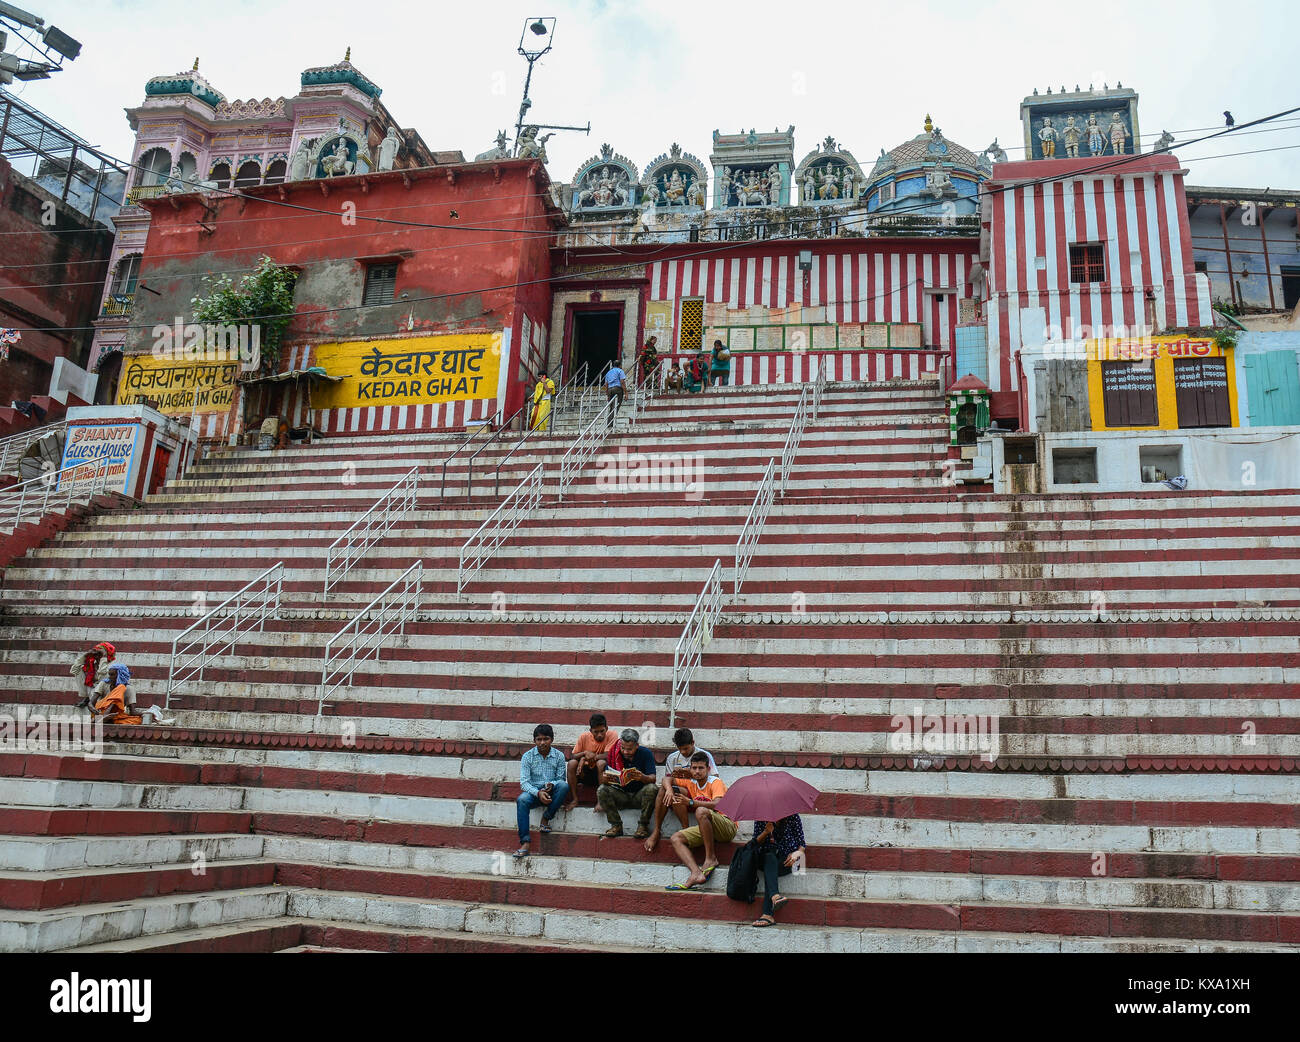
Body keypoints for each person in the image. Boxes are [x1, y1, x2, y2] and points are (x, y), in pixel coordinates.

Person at [665, 753, 737, 889]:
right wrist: (669, 790)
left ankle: (710, 859)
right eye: (694, 768)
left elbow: (717, 804)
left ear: (708, 769)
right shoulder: (691, 781)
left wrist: (690, 802)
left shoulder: (715, 782)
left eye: (701, 768)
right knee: (676, 838)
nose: (697, 772)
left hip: (726, 826)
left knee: (701, 810)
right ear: (690, 769)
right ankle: (696, 873)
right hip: (708, 828)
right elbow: (666, 779)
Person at [646, 728, 719, 852]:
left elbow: (715, 778)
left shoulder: (704, 756)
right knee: (667, 789)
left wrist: (691, 773)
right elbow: (666, 779)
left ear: (693, 743)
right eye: (680, 749)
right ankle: (657, 830)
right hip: (679, 792)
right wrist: (669, 789)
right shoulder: (672, 758)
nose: (683, 752)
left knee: (674, 790)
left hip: (699, 793)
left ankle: (685, 830)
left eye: (686, 748)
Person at [514, 723, 570, 858]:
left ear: (552, 739)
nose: (542, 742)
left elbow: (560, 778)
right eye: (539, 739)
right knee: (521, 799)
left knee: (563, 786)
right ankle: (525, 842)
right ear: (534, 741)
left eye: (546, 739)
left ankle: (546, 818)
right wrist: (538, 793)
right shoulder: (528, 756)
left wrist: (552, 784)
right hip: (534, 792)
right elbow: (524, 783)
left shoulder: (559, 756)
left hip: (551, 791)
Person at [595, 727, 657, 839]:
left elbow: (653, 778)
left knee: (652, 788)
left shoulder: (646, 753)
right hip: (621, 794)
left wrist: (642, 777)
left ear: (636, 746)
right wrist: (607, 777)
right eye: (623, 748)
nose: (625, 752)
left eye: (629, 749)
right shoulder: (615, 753)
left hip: (639, 795)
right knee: (602, 789)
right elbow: (605, 780)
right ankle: (616, 825)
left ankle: (643, 826)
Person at [751, 813, 807, 927]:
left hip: (787, 861)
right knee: (769, 858)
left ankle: (768, 914)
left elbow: (802, 844)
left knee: (770, 868)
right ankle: (775, 897)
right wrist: (766, 832)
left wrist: (796, 855)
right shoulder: (761, 817)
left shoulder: (793, 816)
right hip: (765, 859)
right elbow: (754, 844)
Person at [564, 712, 619, 811]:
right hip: (584, 773)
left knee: (601, 762)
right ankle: (575, 799)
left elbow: (607, 755)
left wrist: (584, 758)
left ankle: (600, 801)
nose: (599, 735)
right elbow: (573, 755)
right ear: (590, 731)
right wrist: (584, 753)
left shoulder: (612, 735)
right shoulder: (584, 736)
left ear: (606, 728)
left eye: (602, 731)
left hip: (603, 773)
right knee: (572, 763)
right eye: (596, 732)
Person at [604, 361, 626, 429]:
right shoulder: (620, 371)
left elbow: (606, 384)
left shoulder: (609, 372)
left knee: (611, 407)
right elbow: (622, 382)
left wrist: (607, 394)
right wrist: (626, 393)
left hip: (610, 389)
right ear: (619, 365)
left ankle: (609, 423)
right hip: (617, 389)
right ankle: (610, 424)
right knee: (616, 406)